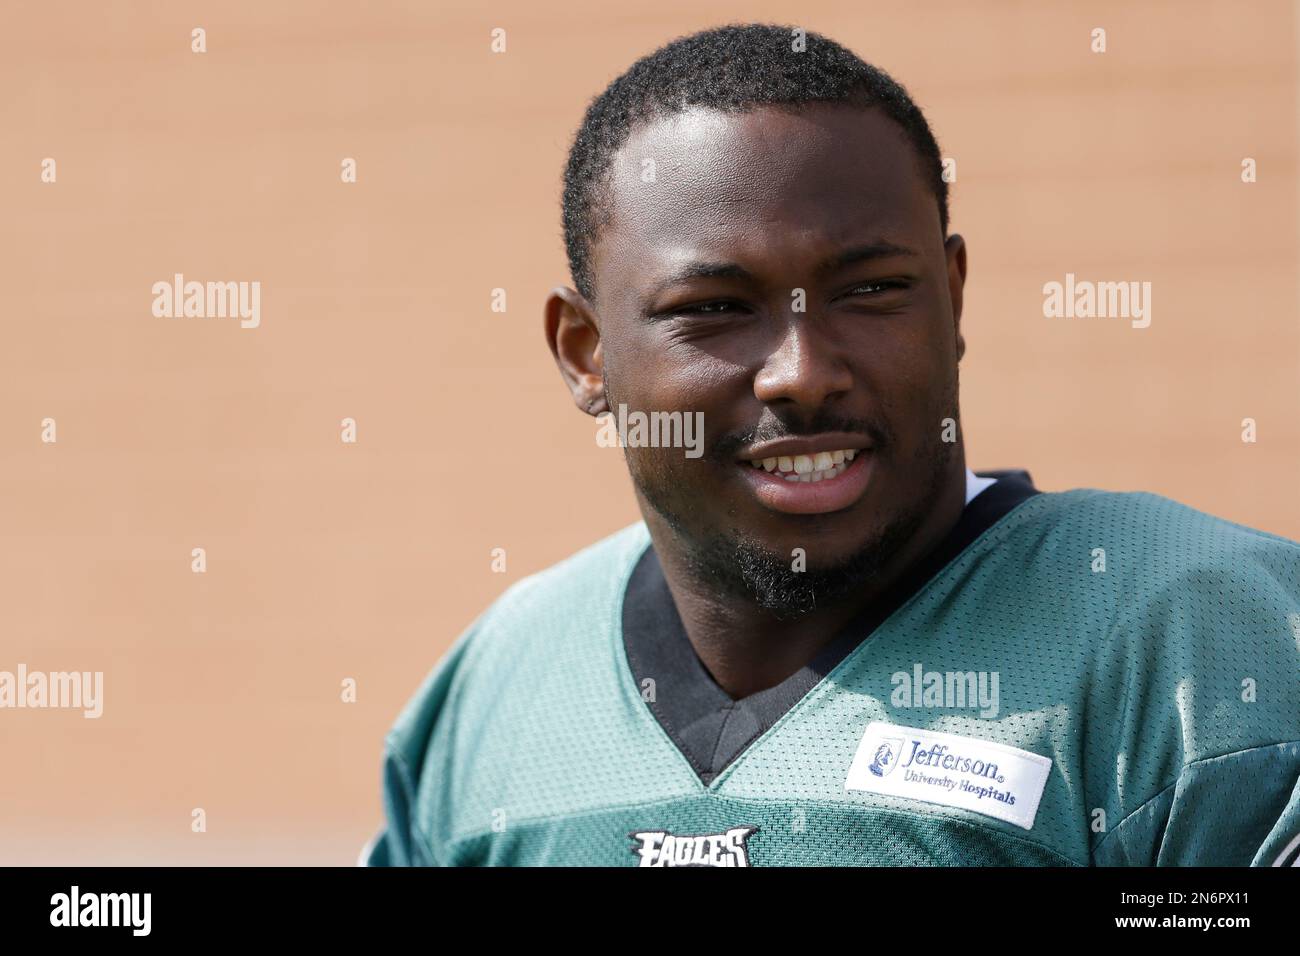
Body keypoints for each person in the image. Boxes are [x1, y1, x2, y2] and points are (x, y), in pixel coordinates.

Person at [363, 23, 1300, 866]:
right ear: (587, 354)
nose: (801, 373)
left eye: (869, 290)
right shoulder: (497, 693)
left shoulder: (1193, 643)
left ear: (954, 295)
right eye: (714, 310)